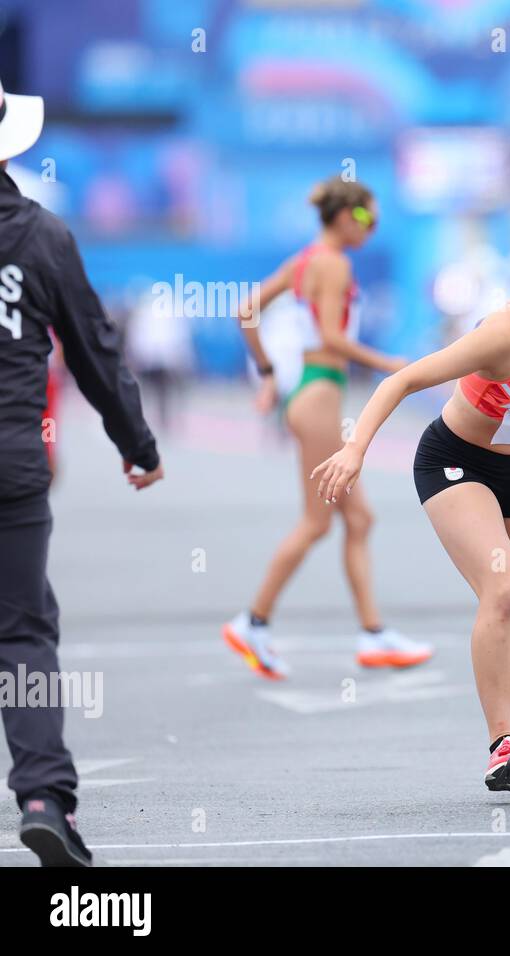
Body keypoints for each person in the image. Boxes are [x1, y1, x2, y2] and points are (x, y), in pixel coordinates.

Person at [312, 219, 510, 793]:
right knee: (503, 591)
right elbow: (403, 380)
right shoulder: (503, 333)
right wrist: (355, 449)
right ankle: (499, 744)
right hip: (459, 462)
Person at [0, 77, 164, 866]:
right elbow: (95, 352)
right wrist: (138, 443)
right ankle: (41, 800)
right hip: (13, 465)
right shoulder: (41, 237)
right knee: (22, 630)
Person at [221, 177, 429, 679]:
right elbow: (334, 339)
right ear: (343, 217)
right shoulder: (333, 264)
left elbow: (244, 309)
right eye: (366, 218)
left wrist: (270, 374)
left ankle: (373, 634)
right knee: (316, 522)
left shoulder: (304, 260)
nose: (372, 228)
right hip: (317, 397)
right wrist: (391, 365)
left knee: (359, 520)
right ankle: (253, 622)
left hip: (310, 393)